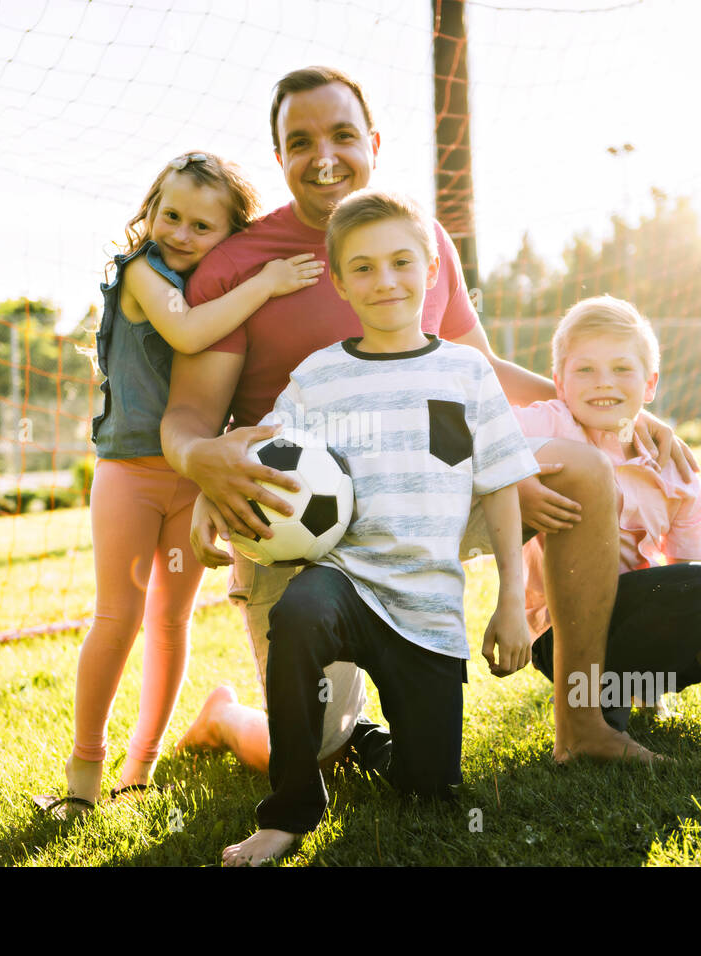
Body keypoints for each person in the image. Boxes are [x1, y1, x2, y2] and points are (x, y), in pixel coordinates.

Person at [167, 66, 689, 770]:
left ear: (374, 142)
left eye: (343, 134)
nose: (325, 155)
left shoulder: (422, 239)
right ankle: (228, 717)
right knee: (319, 746)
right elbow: (187, 421)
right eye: (301, 141)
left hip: (423, 491)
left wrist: (611, 415)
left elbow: (475, 372)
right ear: (281, 157)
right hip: (303, 525)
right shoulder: (238, 267)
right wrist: (203, 463)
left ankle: (585, 725)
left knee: (584, 472)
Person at [222, 191, 540, 866]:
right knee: (303, 610)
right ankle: (289, 812)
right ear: (338, 281)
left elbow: (502, 487)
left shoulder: (466, 372)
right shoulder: (318, 378)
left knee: (431, 789)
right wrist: (205, 498)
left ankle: (365, 741)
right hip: (346, 584)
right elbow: (259, 452)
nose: (385, 280)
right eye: (362, 268)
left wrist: (512, 600)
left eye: (401, 262)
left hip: (427, 608)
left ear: (431, 269)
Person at [34, 151, 324, 818]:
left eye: (202, 225)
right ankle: (84, 775)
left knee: (171, 620)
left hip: (196, 479)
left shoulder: (221, 284)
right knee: (121, 616)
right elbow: (188, 329)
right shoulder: (143, 272)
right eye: (171, 216)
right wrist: (269, 280)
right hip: (131, 474)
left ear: (229, 234)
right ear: (151, 210)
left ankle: (141, 767)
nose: (182, 234)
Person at [513, 295, 701, 738]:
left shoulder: (675, 468)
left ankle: (636, 680)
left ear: (649, 385)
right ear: (558, 381)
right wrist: (517, 478)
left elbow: (698, 586)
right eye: (585, 370)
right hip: (561, 636)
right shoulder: (549, 423)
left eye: (621, 369)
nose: (603, 383)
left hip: (641, 609)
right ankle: (593, 695)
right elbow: (477, 435)